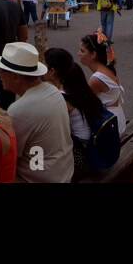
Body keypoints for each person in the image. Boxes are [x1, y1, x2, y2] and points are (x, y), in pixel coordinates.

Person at [0, 42, 73, 183]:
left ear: (16, 76)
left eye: (1, 71)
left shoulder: (19, 109)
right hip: (62, 171)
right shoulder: (52, 90)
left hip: (41, 177)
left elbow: (9, 153)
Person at [44, 48, 109, 179]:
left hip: (83, 156)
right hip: (95, 146)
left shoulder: (62, 99)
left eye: (43, 65)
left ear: (52, 71)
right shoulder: (76, 84)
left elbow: (57, 133)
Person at [78, 34, 126, 135]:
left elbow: (82, 104)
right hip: (116, 121)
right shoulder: (108, 69)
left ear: (93, 54)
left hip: (110, 126)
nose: (78, 54)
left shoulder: (97, 79)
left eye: (82, 51)